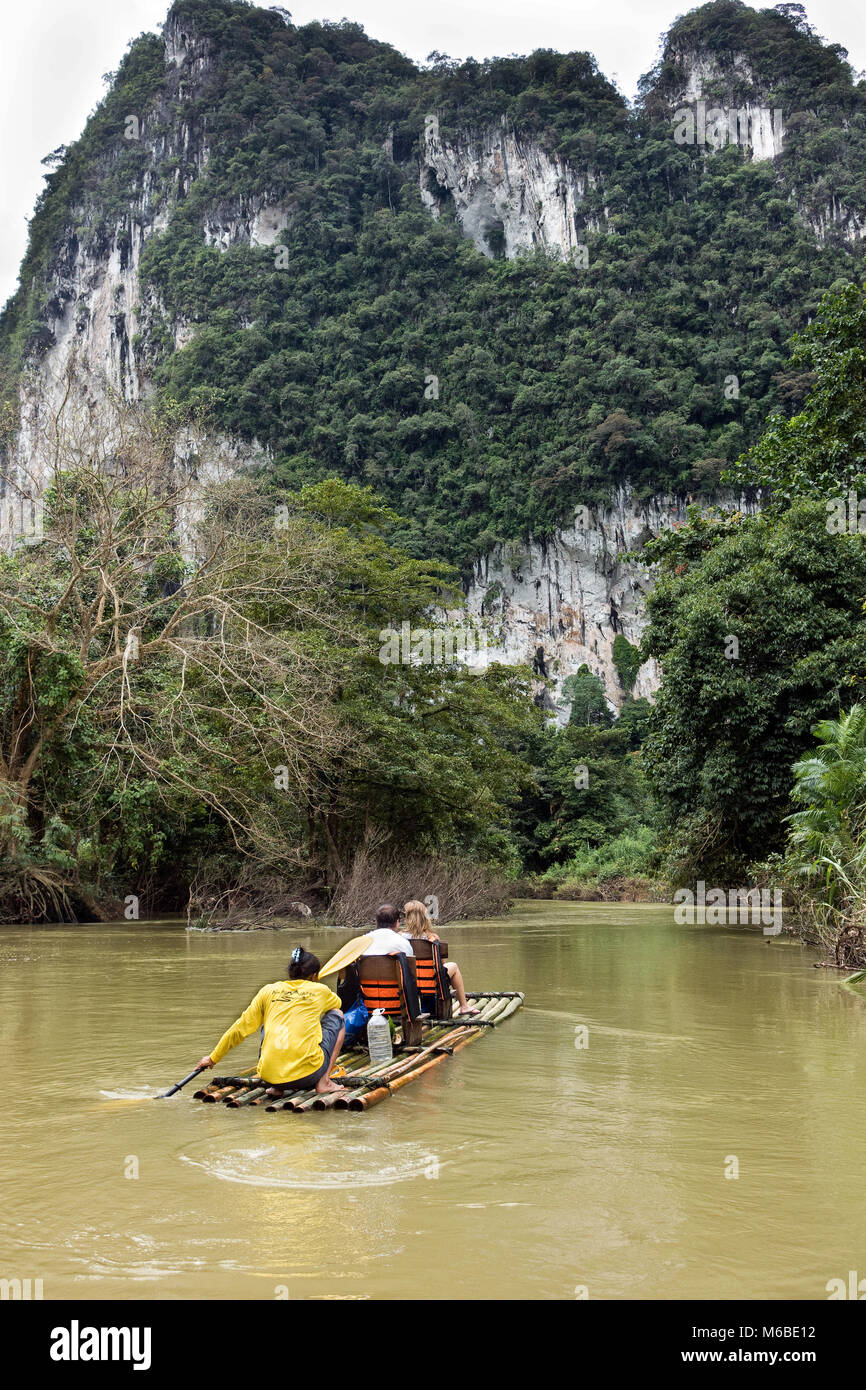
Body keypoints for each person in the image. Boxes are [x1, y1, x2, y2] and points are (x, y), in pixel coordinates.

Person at [197, 947, 345, 1096]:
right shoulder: (321, 990)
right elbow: (336, 1005)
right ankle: (324, 1081)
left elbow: (240, 1028)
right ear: (314, 975)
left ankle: (277, 1087)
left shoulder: (268, 990)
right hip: (307, 1076)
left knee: (267, 1020)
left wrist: (213, 1058)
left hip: (268, 1077)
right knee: (337, 1015)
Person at [401, 900, 479, 1015]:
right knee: (454, 967)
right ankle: (464, 1006)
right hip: (430, 982)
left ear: (407, 918)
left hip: (408, 982)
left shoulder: (399, 938)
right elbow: (441, 964)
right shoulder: (432, 938)